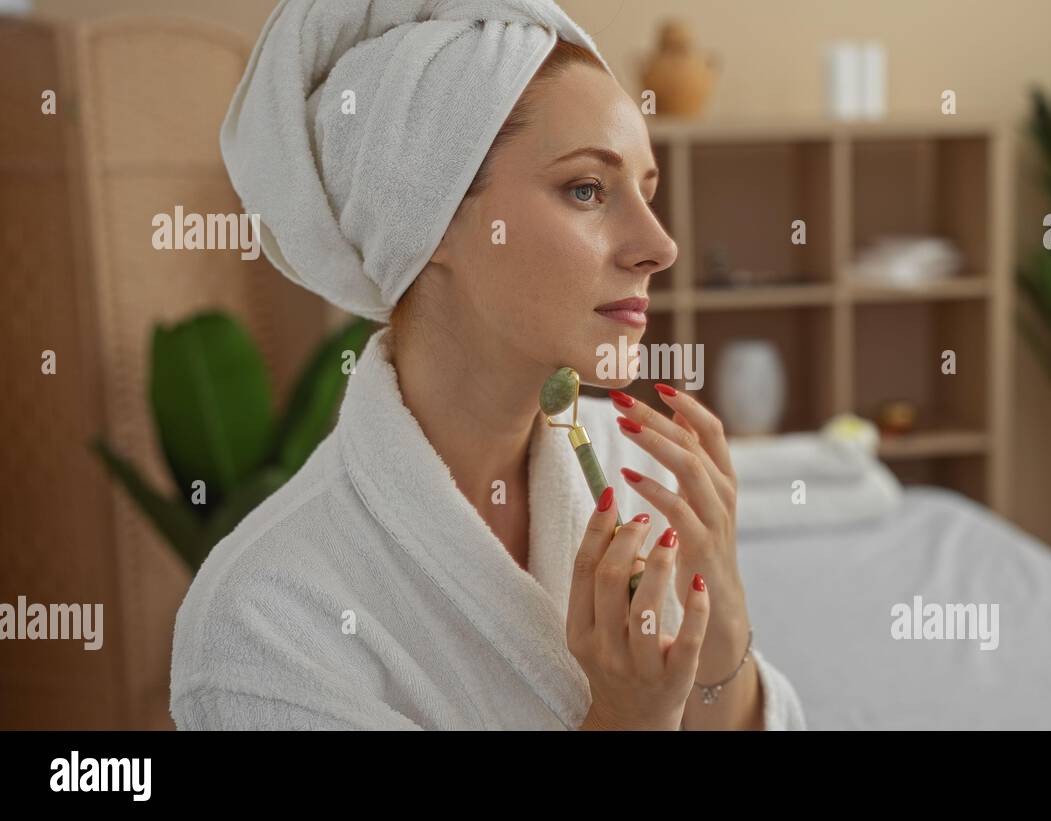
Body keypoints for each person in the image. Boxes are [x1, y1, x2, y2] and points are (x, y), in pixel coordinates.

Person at [170, 0, 806, 731]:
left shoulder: (642, 469)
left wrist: (723, 637)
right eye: (588, 190)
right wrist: (624, 720)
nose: (659, 245)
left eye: (648, 192)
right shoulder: (265, 619)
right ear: (431, 219)